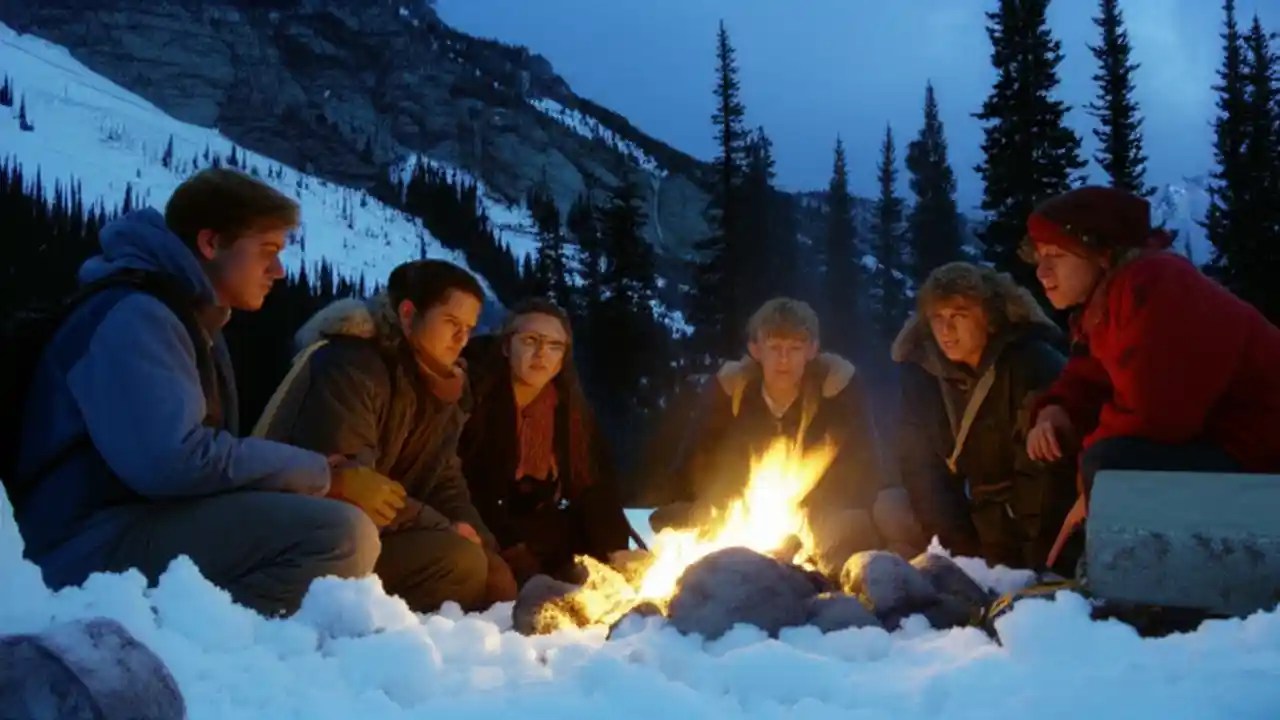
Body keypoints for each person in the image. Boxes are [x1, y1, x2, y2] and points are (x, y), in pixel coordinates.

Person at [10, 168, 379, 616]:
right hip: (83, 544)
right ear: (211, 243)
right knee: (337, 536)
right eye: (268, 251)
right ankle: (211, 655)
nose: (279, 271)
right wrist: (321, 475)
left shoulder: (183, 313)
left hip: (120, 523)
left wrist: (305, 477)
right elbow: (174, 462)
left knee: (322, 521)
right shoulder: (137, 316)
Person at [1021, 185, 1280, 565]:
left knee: (1111, 461)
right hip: (1233, 457)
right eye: (1039, 256)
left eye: (1056, 255)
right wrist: (1056, 412)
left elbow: (1155, 416)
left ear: (1102, 254)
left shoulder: (1155, 282)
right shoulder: (1104, 305)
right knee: (1080, 453)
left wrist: (1092, 490)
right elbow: (1089, 377)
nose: (1042, 271)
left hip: (1262, 463)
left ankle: (1149, 586)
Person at [254, 259, 516, 612]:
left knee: (483, 564)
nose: (461, 339)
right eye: (451, 323)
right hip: (313, 535)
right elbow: (355, 484)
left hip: (377, 529)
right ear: (408, 314)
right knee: (460, 562)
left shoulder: (442, 387)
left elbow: (443, 478)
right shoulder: (351, 366)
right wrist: (446, 529)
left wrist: (483, 541)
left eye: (468, 328)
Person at [655, 297, 919, 575]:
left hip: (822, 512)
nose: (784, 360)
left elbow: (866, 467)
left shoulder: (837, 390)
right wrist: (703, 508)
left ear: (812, 350)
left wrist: (814, 514)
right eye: (774, 348)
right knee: (679, 520)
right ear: (755, 349)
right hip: (738, 508)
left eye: (794, 348)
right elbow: (694, 461)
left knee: (859, 525)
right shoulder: (734, 391)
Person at [891, 262, 1079, 573]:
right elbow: (922, 471)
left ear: (988, 318)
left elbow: (1043, 476)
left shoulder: (1032, 364)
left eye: (958, 316)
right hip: (971, 516)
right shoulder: (923, 377)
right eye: (937, 318)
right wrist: (960, 556)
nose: (945, 330)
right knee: (892, 509)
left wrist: (1025, 566)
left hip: (1029, 521)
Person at [457, 298, 633, 585]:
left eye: (554, 346)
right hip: (480, 524)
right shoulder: (472, 398)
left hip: (539, 525)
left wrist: (615, 551)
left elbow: (594, 484)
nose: (541, 353)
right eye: (530, 340)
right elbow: (466, 484)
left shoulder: (568, 410)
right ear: (506, 346)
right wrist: (512, 546)